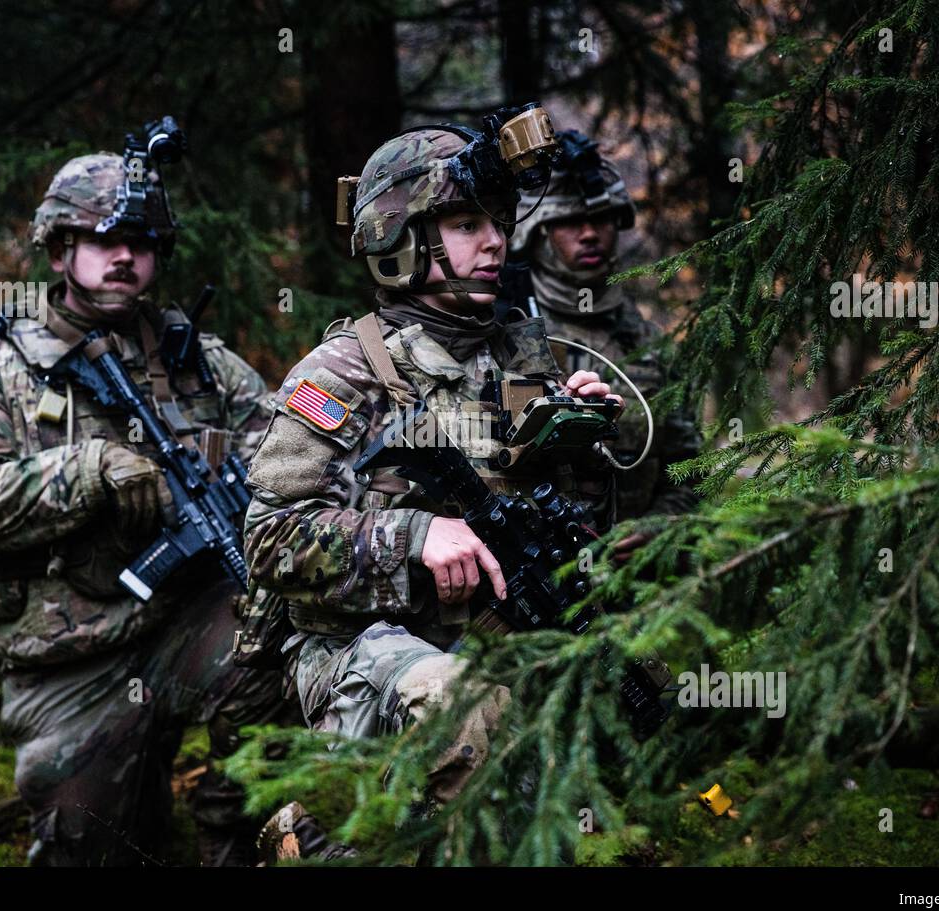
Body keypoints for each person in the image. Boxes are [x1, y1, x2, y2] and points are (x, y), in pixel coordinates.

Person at [241, 121, 624, 858]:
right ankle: (318, 832)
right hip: (367, 652)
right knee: (464, 706)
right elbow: (268, 539)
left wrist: (577, 435)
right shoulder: (342, 372)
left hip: (502, 634)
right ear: (401, 239)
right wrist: (412, 537)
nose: (494, 244)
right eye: (465, 224)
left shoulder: (520, 351)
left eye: (498, 224)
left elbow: (555, 526)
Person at [0, 151, 294, 866]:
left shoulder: (201, 364)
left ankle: (238, 833)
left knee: (276, 645)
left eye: (143, 242)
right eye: (104, 239)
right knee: (94, 842)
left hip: (191, 621)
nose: (125, 256)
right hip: (69, 658)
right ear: (60, 249)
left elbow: (288, 457)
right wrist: (87, 469)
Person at [507, 131, 700, 554]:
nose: (590, 234)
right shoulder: (506, 333)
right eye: (570, 223)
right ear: (538, 232)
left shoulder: (646, 343)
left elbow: (690, 469)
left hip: (637, 580)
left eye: (602, 220)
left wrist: (659, 527)